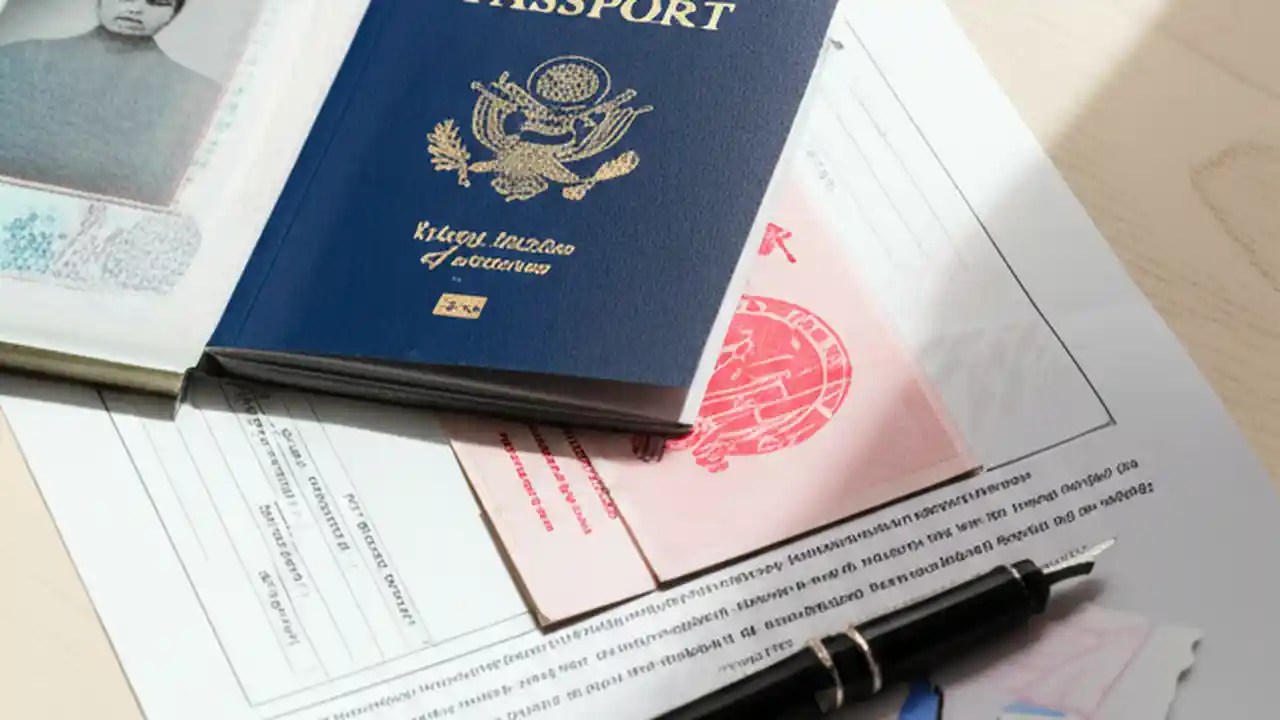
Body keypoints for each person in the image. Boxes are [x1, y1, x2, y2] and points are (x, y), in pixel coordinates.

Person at [0, 0, 221, 206]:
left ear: (175, 12)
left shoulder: (198, 92)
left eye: (158, 1)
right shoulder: (21, 58)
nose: (136, 9)